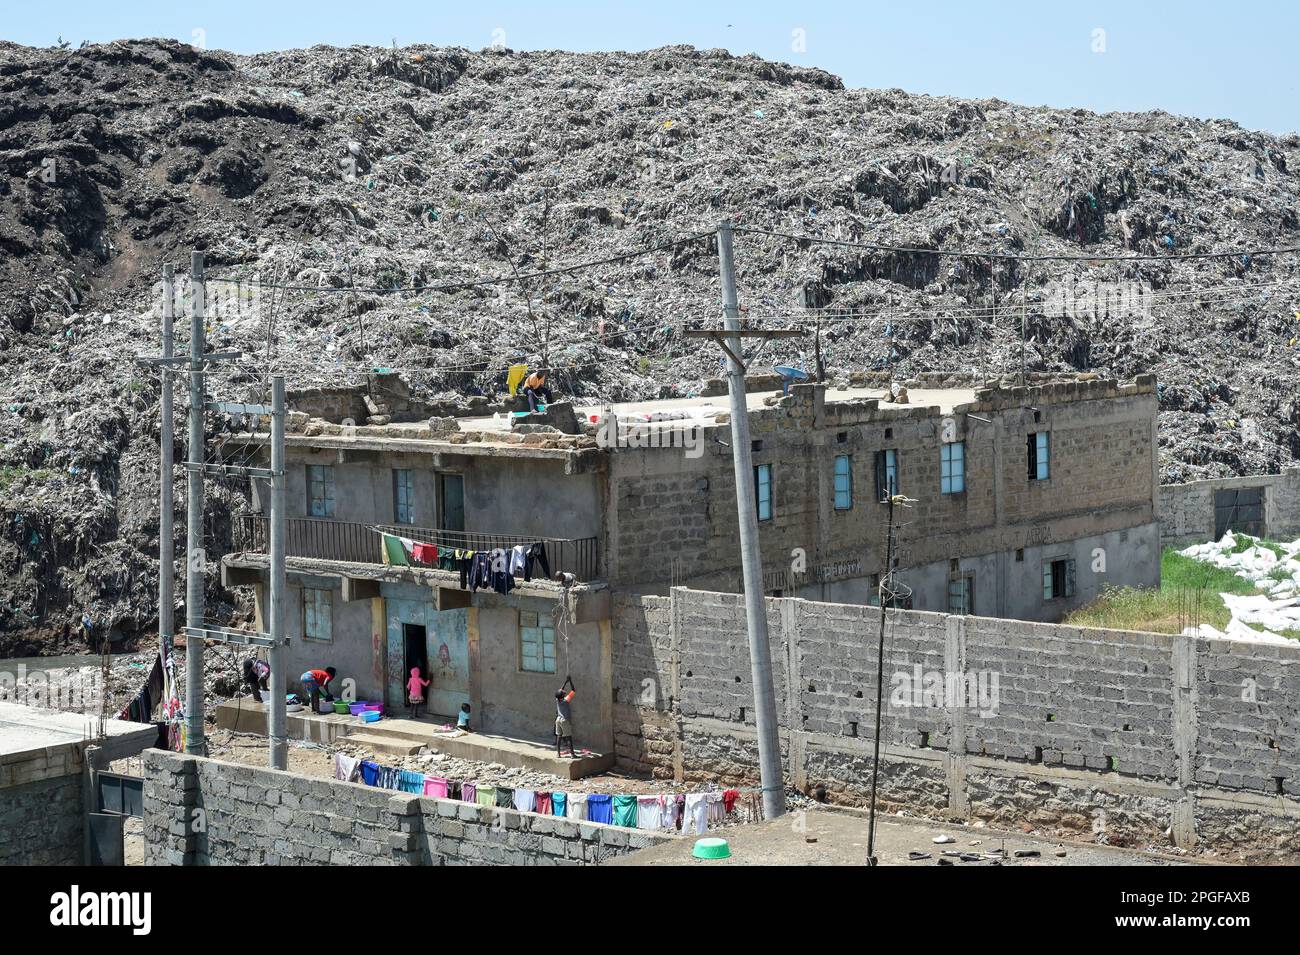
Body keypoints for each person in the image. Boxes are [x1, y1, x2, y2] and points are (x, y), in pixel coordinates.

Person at [554, 677, 576, 758]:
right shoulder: (566, 700)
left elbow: (560, 691)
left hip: (558, 720)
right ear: (562, 696)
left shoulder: (557, 700)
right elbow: (573, 690)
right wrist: (570, 681)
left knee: (559, 736)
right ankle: (572, 754)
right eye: (563, 693)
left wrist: (565, 682)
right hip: (564, 720)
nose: (564, 693)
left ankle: (558, 754)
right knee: (569, 737)